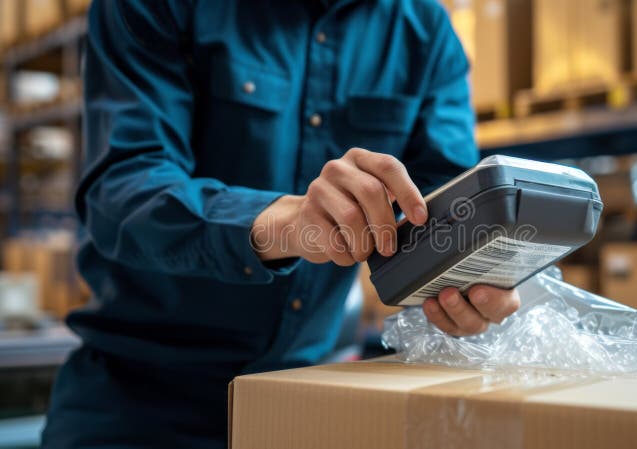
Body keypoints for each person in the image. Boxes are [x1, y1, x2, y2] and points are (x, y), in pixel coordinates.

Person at [41, 1, 521, 448]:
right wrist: (280, 222)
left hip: (303, 399)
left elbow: (450, 204)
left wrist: (473, 279)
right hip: (139, 404)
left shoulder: (423, 29)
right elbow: (121, 191)